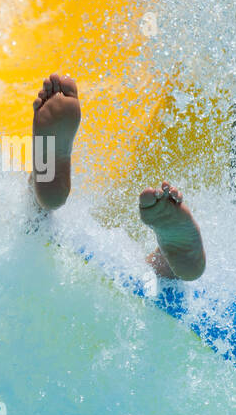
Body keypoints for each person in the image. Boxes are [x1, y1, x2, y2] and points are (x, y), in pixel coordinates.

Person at [31, 72, 206, 282]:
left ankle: (41, 185)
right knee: (158, 274)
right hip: (155, 189)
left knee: (33, 214)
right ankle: (171, 259)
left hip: (107, 203)